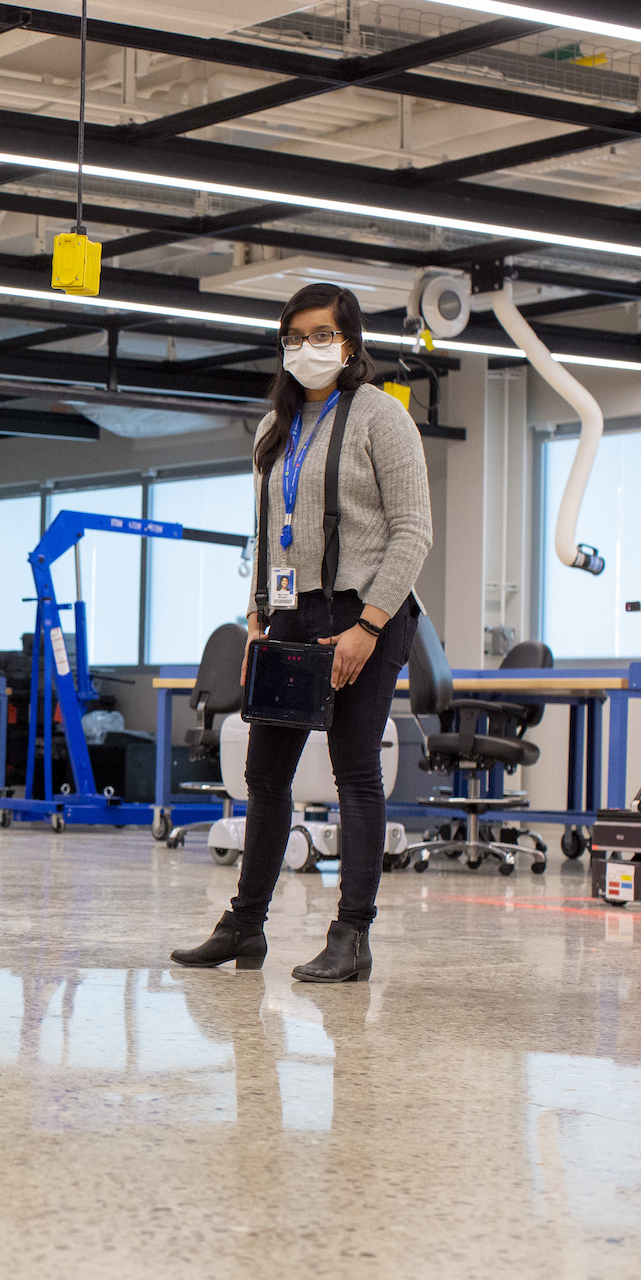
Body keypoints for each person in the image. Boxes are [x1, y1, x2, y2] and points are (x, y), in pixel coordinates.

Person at [172, 281, 431, 983]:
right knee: (263, 773)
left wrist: (369, 626)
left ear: (350, 343)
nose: (309, 348)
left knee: (354, 770)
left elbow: (413, 532)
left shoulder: (383, 418)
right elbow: (269, 534)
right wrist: (257, 613)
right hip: (291, 613)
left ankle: (352, 933)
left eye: (323, 335)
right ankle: (245, 925)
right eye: (296, 336)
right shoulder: (273, 427)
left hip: (365, 611)